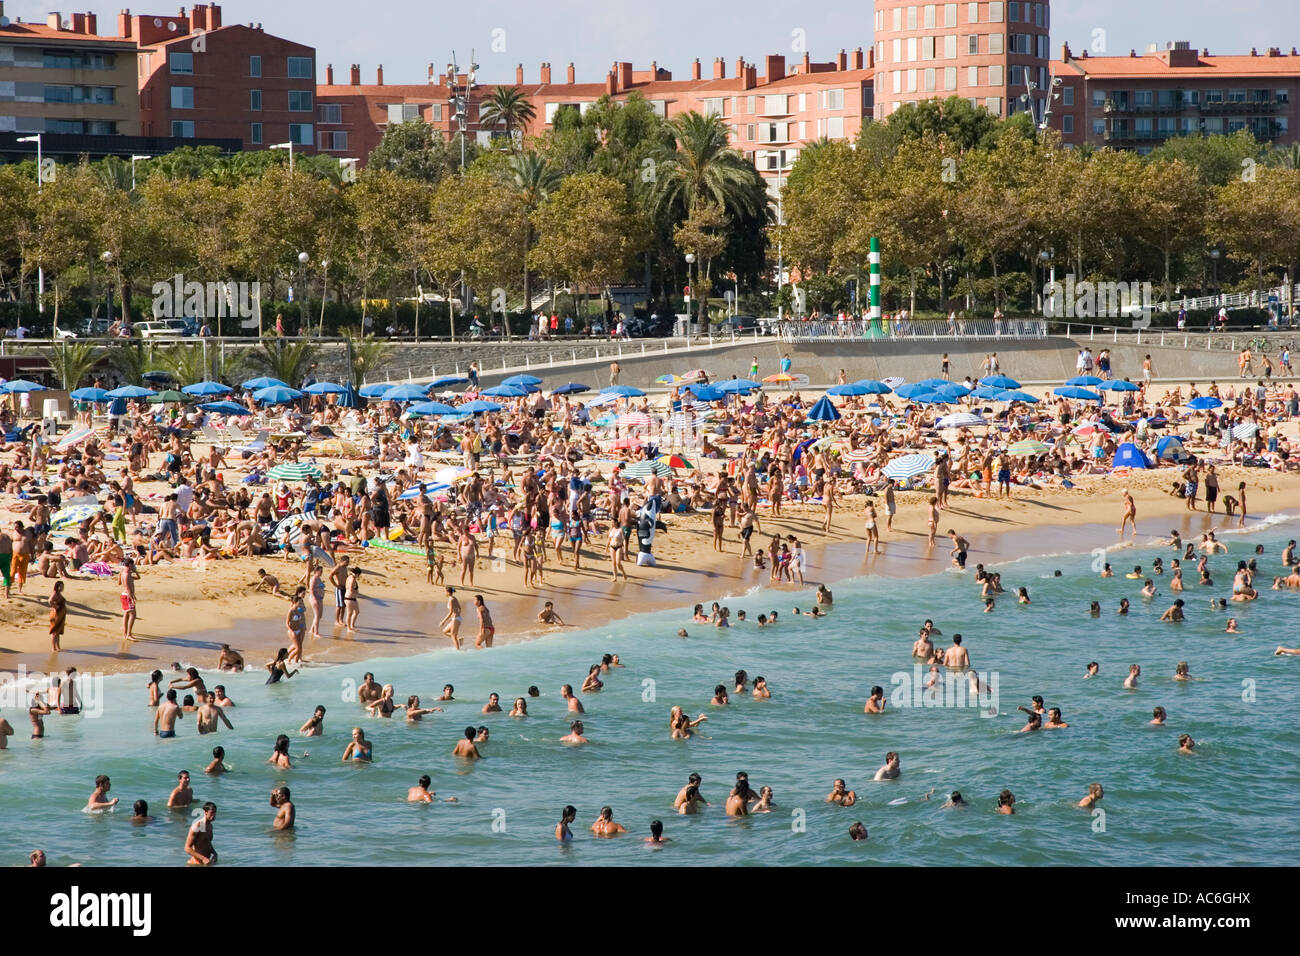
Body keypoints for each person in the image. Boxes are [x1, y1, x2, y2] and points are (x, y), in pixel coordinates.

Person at [48, 580, 67, 652]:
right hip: (56, 614)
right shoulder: (55, 593)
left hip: (60, 614)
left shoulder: (59, 593)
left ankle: (58, 647)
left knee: (58, 631)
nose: (62, 588)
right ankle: (53, 648)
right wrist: (55, 606)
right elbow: (49, 601)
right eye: (61, 587)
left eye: (63, 587)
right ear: (57, 587)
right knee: (54, 631)